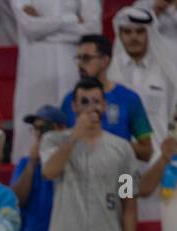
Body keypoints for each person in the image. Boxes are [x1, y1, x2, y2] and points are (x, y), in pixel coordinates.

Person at [41, 79, 142, 231]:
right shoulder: (53, 140)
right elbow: (49, 171)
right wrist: (75, 135)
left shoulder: (122, 149)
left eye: (96, 101)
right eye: (84, 102)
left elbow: (128, 200)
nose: (91, 107)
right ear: (74, 107)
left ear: (104, 105)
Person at [11, 0, 101, 163]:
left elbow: (93, 29)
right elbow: (30, 27)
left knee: (73, 134)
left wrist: (44, 29)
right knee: (31, 136)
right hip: (34, 73)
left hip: (70, 70)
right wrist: (71, 19)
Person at [112, 5, 177, 219]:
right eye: (127, 31)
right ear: (119, 34)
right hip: (123, 162)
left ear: (149, 33)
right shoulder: (112, 74)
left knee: (163, 218)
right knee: (126, 214)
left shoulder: (168, 71)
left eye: (140, 31)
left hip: (163, 159)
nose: (134, 38)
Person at [11, 106, 69, 231]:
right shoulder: (27, 163)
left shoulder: (71, 163)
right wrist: (33, 163)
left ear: (60, 130)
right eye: (35, 130)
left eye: (43, 129)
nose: (38, 134)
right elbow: (17, 201)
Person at [60, 33, 154, 162]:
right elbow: (58, 146)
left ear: (105, 60)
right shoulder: (69, 100)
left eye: (86, 58)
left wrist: (111, 144)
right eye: (78, 58)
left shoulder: (129, 98)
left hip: (120, 177)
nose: (80, 64)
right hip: (80, 177)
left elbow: (147, 152)